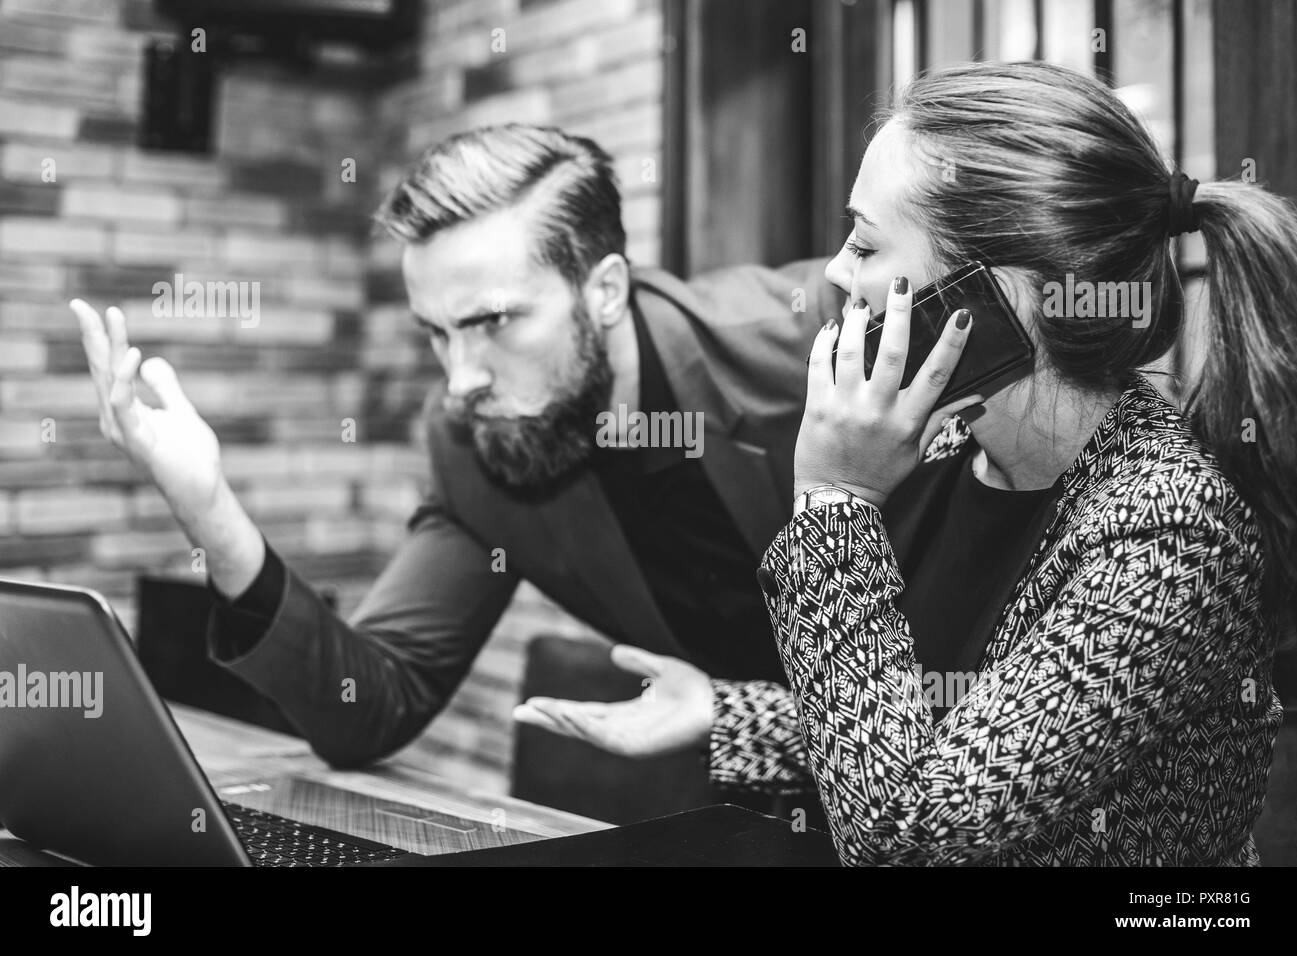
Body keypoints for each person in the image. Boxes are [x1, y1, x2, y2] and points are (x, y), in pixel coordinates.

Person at [535, 61, 1297, 865]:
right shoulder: (946, 447)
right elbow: (931, 737)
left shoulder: (1170, 530)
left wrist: (835, 500)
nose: (835, 272)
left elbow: (910, 835)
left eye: (864, 243)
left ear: (993, 296)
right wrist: (723, 717)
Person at [70, 124, 840, 793]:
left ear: (604, 290)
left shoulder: (816, 343)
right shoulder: (473, 440)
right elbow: (368, 705)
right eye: (437, 333)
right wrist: (210, 512)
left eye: (493, 321)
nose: (460, 379)